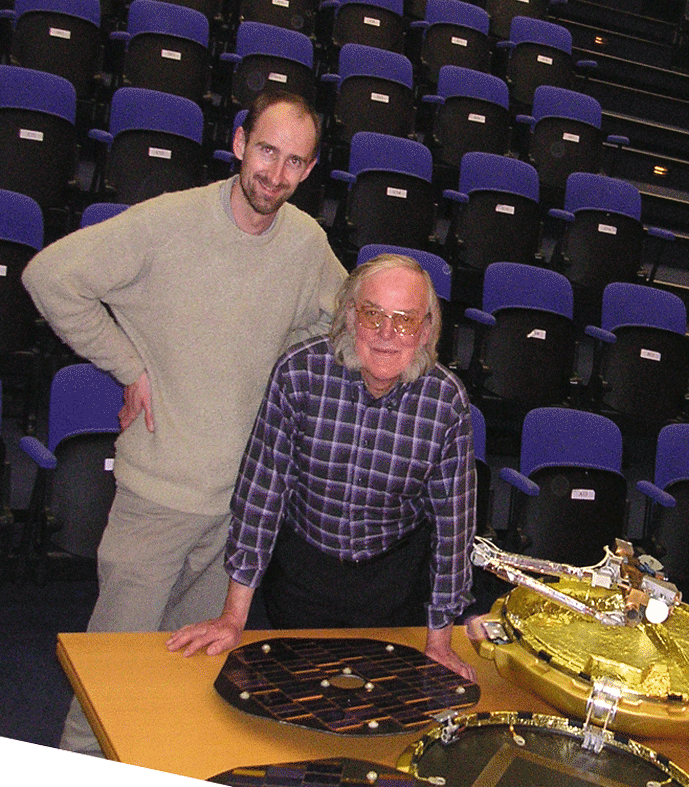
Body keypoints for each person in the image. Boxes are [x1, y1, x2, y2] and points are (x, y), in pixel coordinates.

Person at [22, 89, 347, 754]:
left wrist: (280, 373)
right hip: (156, 502)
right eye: (265, 150)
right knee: (108, 679)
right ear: (237, 143)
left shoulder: (306, 243)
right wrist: (128, 365)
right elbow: (50, 275)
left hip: (236, 510)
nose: (274, 173)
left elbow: (335, 325)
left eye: (293, 161)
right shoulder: (168, 223)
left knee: (189, 679)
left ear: (308, 172)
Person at [167, 254, 478, 680]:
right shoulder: (299, 372)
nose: (387, 334)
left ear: (425, 331)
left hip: (392, 581)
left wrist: (439, 641)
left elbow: (453, 527)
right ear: (350, 316)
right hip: (304, 572)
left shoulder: (447, 401)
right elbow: (262, 493)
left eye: (405, 320)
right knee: (297, 694)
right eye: (373, 315)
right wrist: (232, 619)